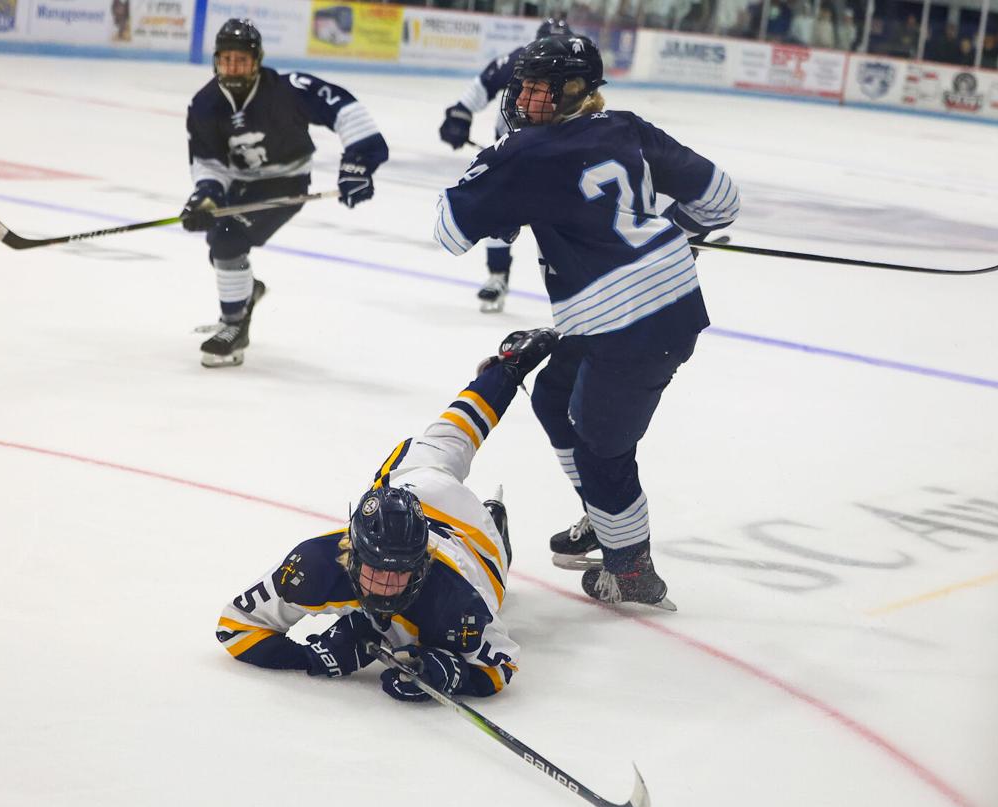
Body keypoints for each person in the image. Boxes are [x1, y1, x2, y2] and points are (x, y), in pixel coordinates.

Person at [434, 36, 739, 611]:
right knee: (553, 396)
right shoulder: (628, 129)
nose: (524, 98)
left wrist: (496, 166)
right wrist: (670, 234)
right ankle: (606, 519)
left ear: (575, 90)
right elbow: (721, 201)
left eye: (537, 89)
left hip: (637, 329)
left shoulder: (524, 153)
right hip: (644, 313)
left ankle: (632, 570)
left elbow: (450, 231)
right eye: (521, 86)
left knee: (603, 452)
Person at [216, 328, 558, 699]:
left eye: (399, 571)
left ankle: (496, 526)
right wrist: (311, 657)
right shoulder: (315, 565)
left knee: (493, 583)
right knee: (446, 438)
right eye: (377, 568)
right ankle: (507, 368)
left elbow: (500, 666)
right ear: (353, 550)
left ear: (423, 562)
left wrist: (448, 673)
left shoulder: (458, 602)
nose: (385, 584)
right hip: (418, 485)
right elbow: (234, 627)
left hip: (475, 543)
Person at [183, 19, 389, 367]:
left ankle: (235, 327)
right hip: (240, 181)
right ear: (217, 60)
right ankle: (246, 293)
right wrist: (207, 195)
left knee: (228, 241)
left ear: (258, 60)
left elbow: (346, 109)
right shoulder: (205, 103)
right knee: (220, 244)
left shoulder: (288, 89)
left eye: (242, 60)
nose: (233, 68)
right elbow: (209, 161)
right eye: (227, 60)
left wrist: (359, 162)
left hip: (285, 181)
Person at [437, 17, 574, 313]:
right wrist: (460, 114)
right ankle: (497, 275)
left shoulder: (577, 75)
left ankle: (571, 283)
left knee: (559, 224)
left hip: (556, 156)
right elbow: (483, 84)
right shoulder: (516, 60)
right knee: (497, 214)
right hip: (512, 150)